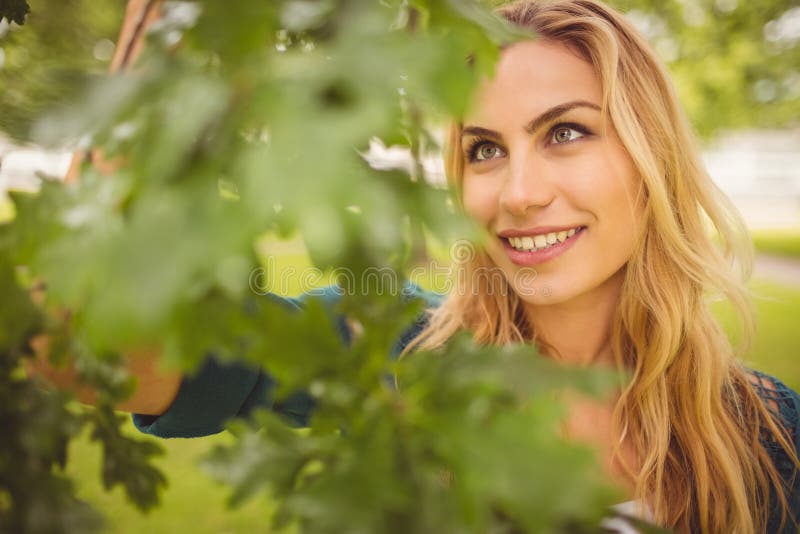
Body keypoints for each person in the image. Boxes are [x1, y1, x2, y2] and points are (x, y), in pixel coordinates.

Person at [27, 0, 800, 532]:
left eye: (565, 133)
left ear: (650, 156)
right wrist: (163, 30)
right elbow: (70, 337)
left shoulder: (768, 433)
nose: (519, 194)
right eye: (484, 149)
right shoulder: (389, 354)